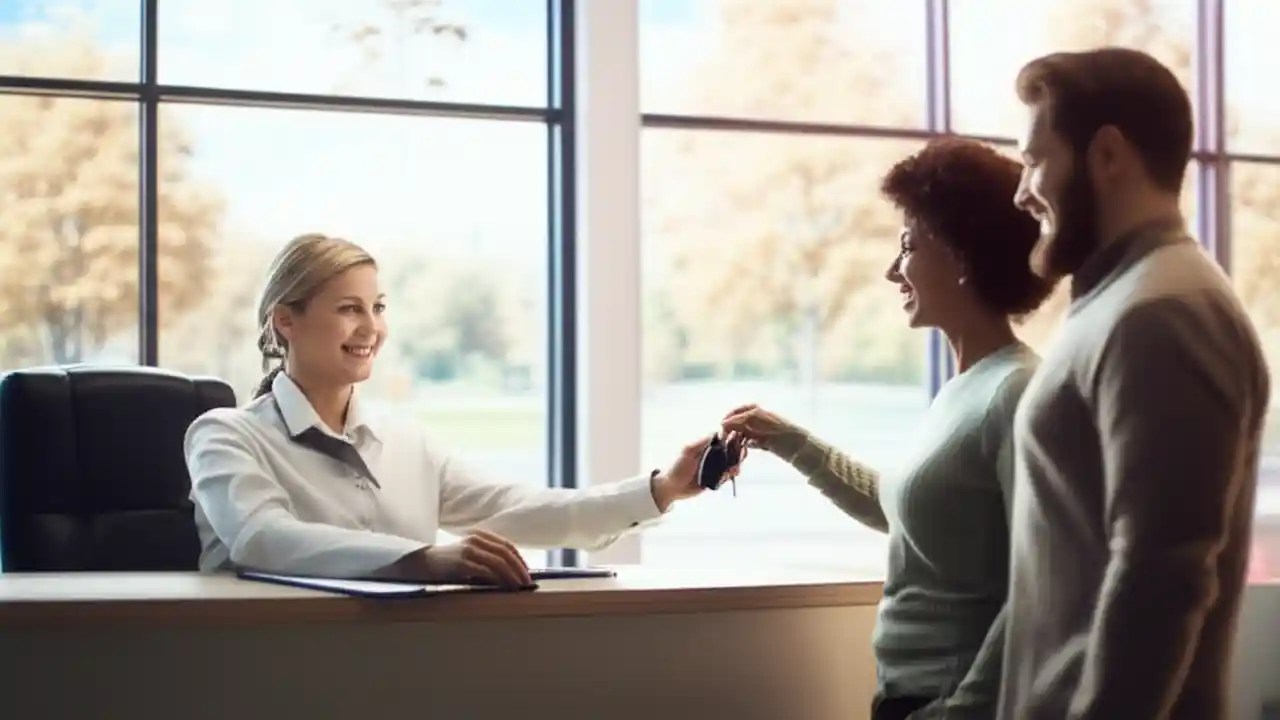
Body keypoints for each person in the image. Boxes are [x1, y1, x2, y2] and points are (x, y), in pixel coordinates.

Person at [722, 137, 1055, 720]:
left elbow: (1040, 584)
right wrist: (791, 442)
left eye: (907, 246)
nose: (892, 271)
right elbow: (908, 513)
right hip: (909, 697)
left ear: (961, 258)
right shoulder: (964, 389)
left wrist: (962, 711)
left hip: (955, 705)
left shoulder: (1017, 393)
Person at [184, 233, 724, 587]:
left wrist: (661, 489)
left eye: (377, 308)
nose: (372, 328)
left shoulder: (406, 443)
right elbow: (262, 538)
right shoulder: (225, 435)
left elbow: (519, 507)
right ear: (286, 321)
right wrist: (423, 558)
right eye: (349, 309)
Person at [1000, 48, 1269, 720]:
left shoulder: (1164, 312)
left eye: (1035, 161)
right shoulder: (1124, 302)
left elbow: (1161, 576)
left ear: (1108, 155)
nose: (1022, 191)